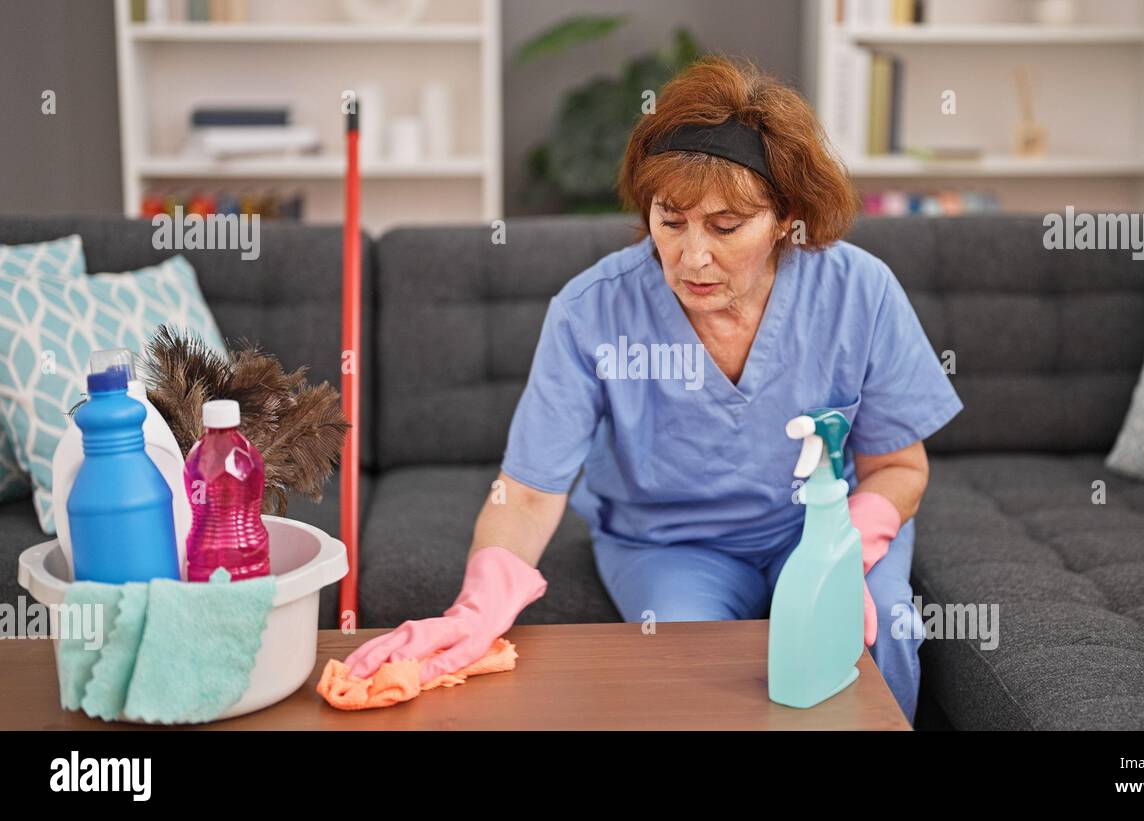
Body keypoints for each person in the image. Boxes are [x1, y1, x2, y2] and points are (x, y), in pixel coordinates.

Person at [346, 56, 963, 724]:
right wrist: (474, 609)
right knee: (686, 674)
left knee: (884, 635)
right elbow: (524, 494)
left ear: (788, 217)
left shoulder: (859, 292)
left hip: (820, 526)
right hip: (670, 546)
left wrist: (845, 550)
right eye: (672, 220)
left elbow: (899, 467)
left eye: (726, 227)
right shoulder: (591, 312)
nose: (693, 256)